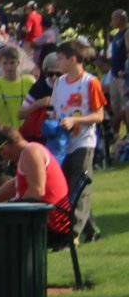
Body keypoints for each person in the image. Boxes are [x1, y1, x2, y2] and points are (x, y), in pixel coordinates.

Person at [49, 42, 105, 241]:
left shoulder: (90, 82)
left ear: (73, 59)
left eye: (60, 58)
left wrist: (75, 120)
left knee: (81, 186)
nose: (58, 63)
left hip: (84, 141)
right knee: (67, 188)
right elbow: (56, 111)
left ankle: (72, 234)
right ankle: (90, 230)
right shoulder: (59, 83)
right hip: (64, 143)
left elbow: (99, 115)